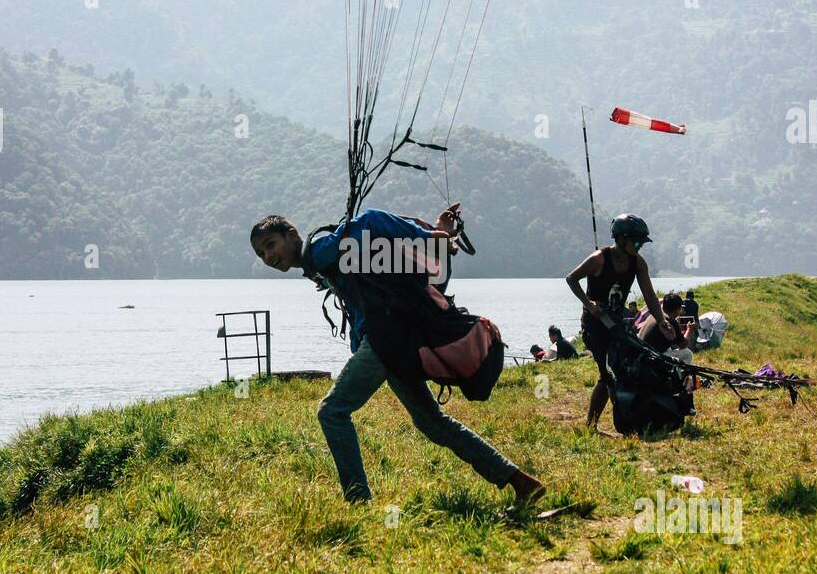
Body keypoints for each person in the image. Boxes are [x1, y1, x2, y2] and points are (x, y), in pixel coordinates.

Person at [250, 205, 545, 507]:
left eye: (271, 245)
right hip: (396, 342)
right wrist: (433, 234)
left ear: (292, 235)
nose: (268, 256)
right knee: (433, 423)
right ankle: (521, 482)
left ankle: (357, 501)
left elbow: (370, 219)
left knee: (332, 411)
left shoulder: (319, 249)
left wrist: (430, 236)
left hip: (386, 342)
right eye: (261, 253)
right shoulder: (317, 263)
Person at [565, 213, 675, 432]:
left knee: (625, 371)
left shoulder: (638, 263)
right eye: (636, 242)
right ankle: (595, 426)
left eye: (641, 243)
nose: (639, 247)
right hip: (595, 324)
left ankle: (631, 419)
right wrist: (589, 303)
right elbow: (571, 279)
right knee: (607, 374)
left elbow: (650, 295)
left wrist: (662, 320)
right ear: (621, 239)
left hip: (616, 325)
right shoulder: (599, 259)